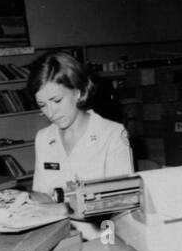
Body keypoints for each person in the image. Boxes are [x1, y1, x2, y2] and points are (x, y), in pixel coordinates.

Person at [25, 51, 133, 204]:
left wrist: (63, 209)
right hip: (59, 226)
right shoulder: (43, 138)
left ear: (78, 92)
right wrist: (22, 197)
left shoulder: (112, 133)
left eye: (56, 100)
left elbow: (121, 199)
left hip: (101, 226)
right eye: (42, 105)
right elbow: (44, 195)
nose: (50, 112)